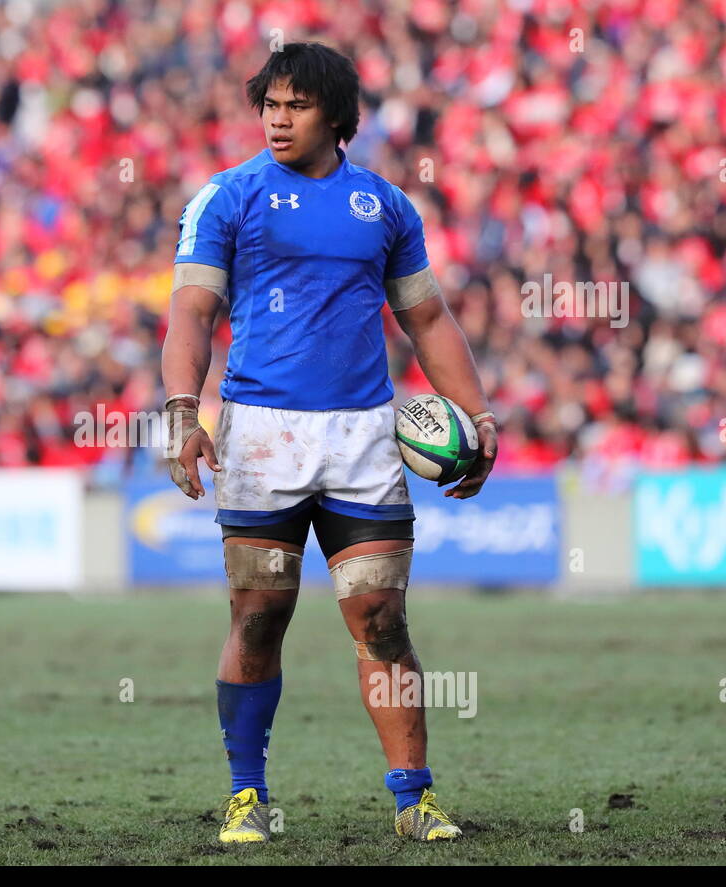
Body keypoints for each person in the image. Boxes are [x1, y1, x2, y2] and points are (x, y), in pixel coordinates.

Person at [161, 44, 498, 843]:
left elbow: (426, 321)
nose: (277, 119)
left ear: (336, 117)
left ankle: (414, 801)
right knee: (257, 617)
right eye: (269, 105)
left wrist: (477, 416)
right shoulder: (227, 197)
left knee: (381, 617)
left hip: (361, 438)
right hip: (261, 440)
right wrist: (183, 413)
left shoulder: (384, 207)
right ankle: (249, 796)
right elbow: (191, 314)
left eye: (295, 105)